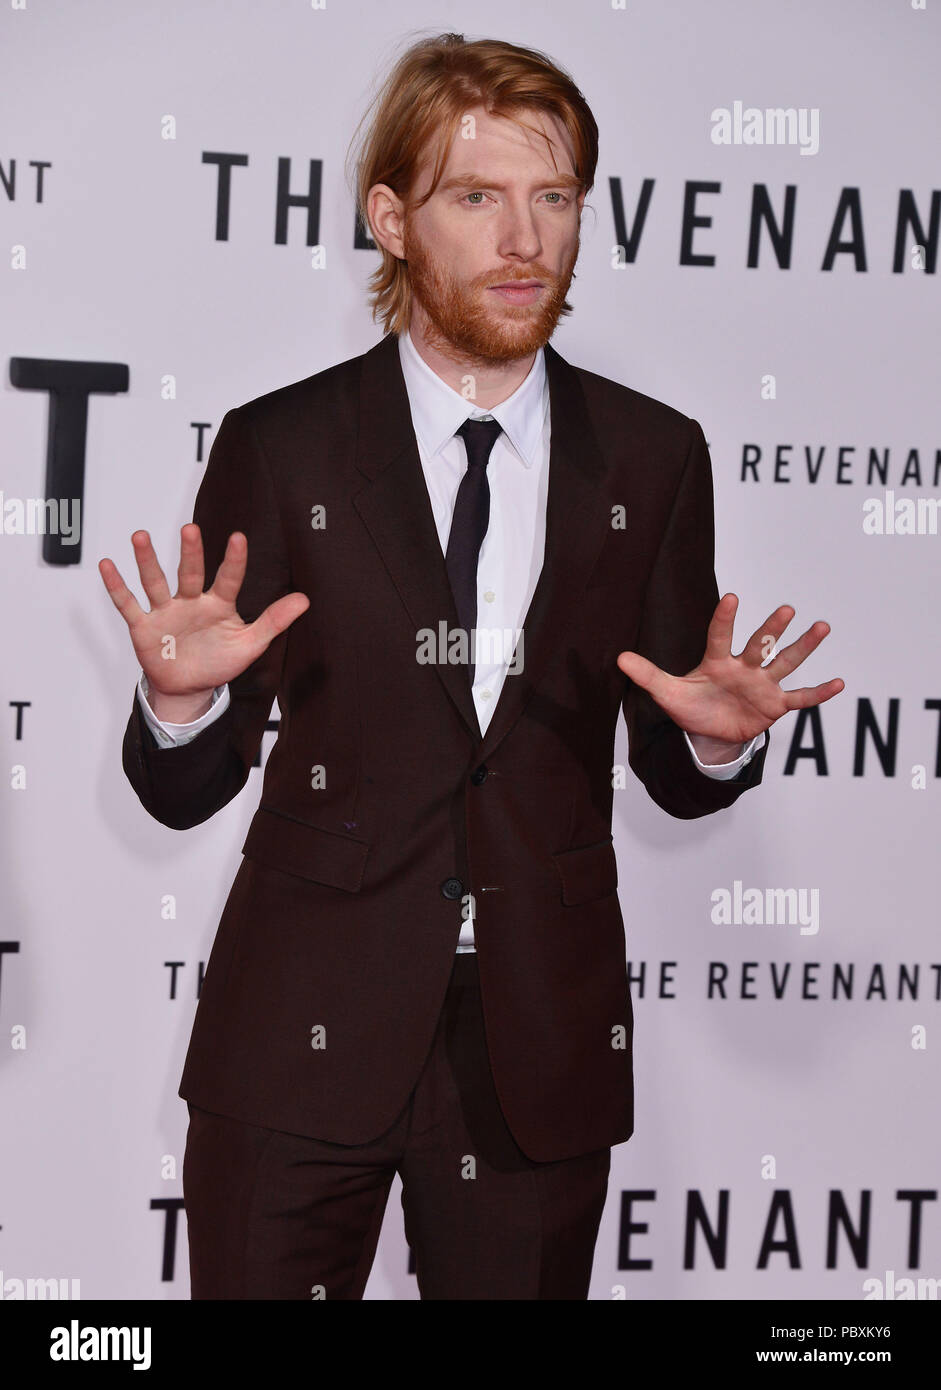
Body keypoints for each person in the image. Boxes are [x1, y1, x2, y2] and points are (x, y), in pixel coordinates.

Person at [99, 33, 842, 1300]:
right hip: (300, 1032)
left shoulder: (652, 459)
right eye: (477, 197)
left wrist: (714, 738)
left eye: (553, 199)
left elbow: (668, 763)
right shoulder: (284, 448)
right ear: (390, 219)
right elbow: (183, 790)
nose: (524, 240)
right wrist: (184, 707)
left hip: (533, 1053)